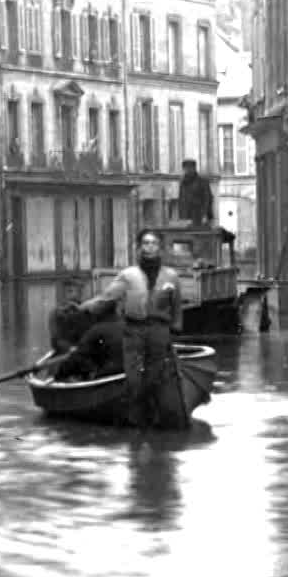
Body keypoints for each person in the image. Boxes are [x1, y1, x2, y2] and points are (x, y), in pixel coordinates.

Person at [78, 230, 186, 428]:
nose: (150, 247)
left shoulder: (171, 276)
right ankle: (135, 420)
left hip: (159, 331)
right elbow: (107, 298)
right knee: (133, 379)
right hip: (134, 331)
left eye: (154, 243)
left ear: (160, 248)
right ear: (139, 247)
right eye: (145, 243)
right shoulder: (128, 275)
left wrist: (176, 327)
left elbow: (177, 306)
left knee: (155, 377)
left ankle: (151, 416)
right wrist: (84, 308)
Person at [177, 160, 214, 227]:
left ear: (194, 168)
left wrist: (205, 215)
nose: (187, 170)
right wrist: (183, 217)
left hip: (200, 216)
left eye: (189, 168)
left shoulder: (202, 181)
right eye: (185, 168)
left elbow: (207, 199)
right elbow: (182, 200)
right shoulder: (183, 182)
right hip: (188, 218)